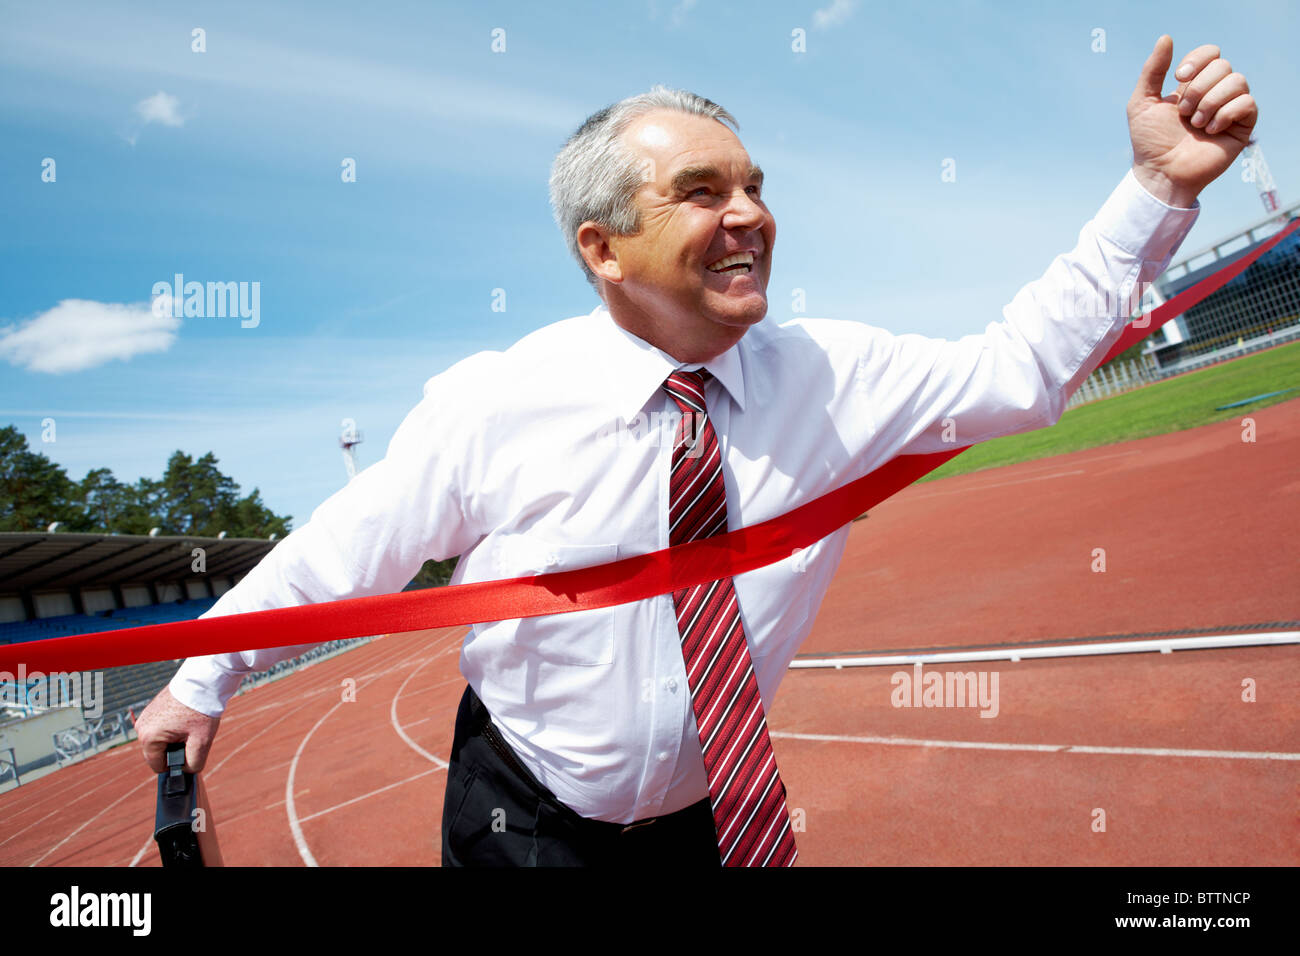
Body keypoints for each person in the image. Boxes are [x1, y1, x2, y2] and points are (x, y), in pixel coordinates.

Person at [136, 36, 1258, 866]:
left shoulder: (829, 374)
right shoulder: (499, 403)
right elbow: (346, 547)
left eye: (756, 186)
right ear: (603, 246)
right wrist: (201, 679)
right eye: (702, 192)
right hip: (523, 814)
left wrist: (1156, 188)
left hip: (716, 816)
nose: (750, 214)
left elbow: (1021, 368)